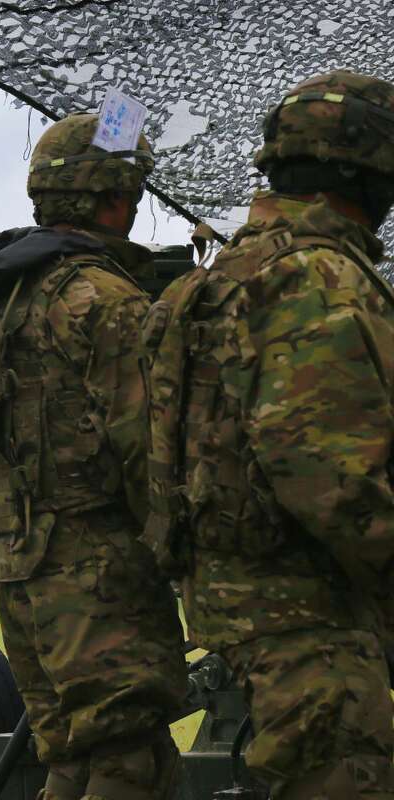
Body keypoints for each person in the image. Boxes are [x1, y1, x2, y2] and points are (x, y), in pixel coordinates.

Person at [145, 69, 394, 799]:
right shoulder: (311, 279)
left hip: (246, 607)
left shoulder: (203, 286)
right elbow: (337, 480)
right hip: (312, 612)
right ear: (361, 168)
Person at [0, 113, 187, 800]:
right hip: (99, 574)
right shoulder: (104, 301)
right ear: (115, 198)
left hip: (23, 568)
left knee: (74, 763)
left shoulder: (0, 305)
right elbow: (151, 448)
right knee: (127, 761)